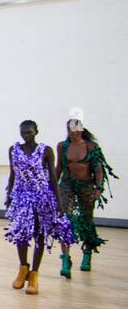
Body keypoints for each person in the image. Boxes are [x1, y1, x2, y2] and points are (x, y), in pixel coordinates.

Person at [4, 120, 72, 294]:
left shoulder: (46, 150)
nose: (25, 135)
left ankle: (34, 275)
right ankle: (22, 269)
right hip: (21, 198)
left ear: (36, 132)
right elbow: (13, 174)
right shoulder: (14, 150)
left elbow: (52, 179)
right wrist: (9, 196)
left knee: (39, 236)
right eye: (23, 132)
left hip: (42, 198)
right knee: (21, 235)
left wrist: (58, 203)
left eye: (29, 132)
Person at [56, 118, 116, 277]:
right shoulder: (62, 146)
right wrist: (52, 188)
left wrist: (98, 188)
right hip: (67, 184)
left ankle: (87, 255)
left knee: (86, 219)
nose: (71, 132)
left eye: (74, 129)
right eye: (68, 129)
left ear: (81, 130)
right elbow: (59, 168)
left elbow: (98, 170)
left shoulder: (91, 147)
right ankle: (65, 258)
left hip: (86, 186)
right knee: (64, 219)